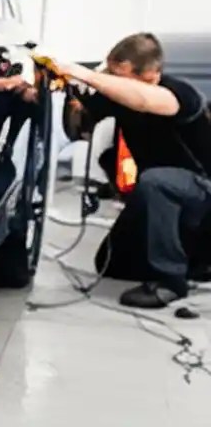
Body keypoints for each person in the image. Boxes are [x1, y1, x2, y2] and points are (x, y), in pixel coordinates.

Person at [55, 32, 211, 308]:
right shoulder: (121, 96)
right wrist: (67, 91)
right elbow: (80, 129)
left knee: (155, 180)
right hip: (158, 194)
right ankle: (195, 262)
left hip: (201, 189)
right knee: (111, 263)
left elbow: (145, 101)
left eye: (120, 76)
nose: (112, 81)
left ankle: (171, 282)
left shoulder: (181, 94)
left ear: (150, 75)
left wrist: (82, 72)